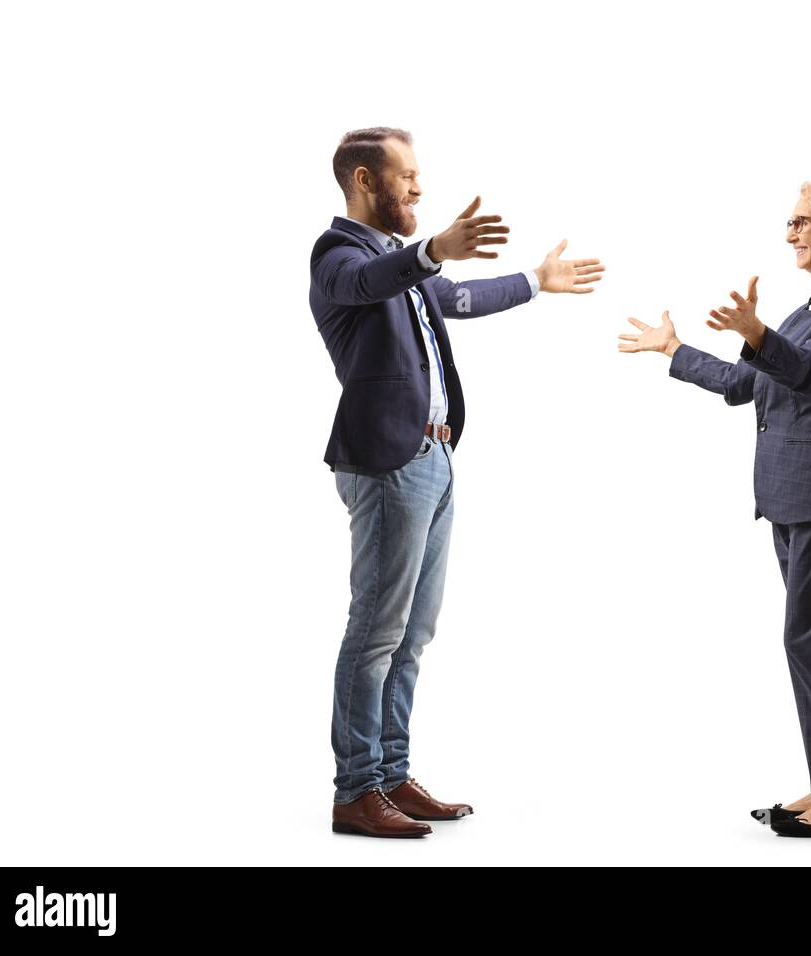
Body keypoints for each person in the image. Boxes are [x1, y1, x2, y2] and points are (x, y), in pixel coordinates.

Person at [310, 127, 604, 838]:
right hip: (386, 464)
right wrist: (433, 249)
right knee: (375, 631)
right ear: (362, 180)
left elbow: (460, 298)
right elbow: (370, 284)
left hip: (434, 459)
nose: (417, 187)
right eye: (405, 175)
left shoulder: (397, 263)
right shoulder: (340, 255)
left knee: (413, 633)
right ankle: (356, 790)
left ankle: (390, 775)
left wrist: (538, 280)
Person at [618, 179, 811, 837]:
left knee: (808, 636)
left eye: (805, 220)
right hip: (789, 499)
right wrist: (673, 349)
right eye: (789, 221)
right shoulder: (805, 313)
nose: (790, 231)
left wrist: (757, 329)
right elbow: (744, 383)